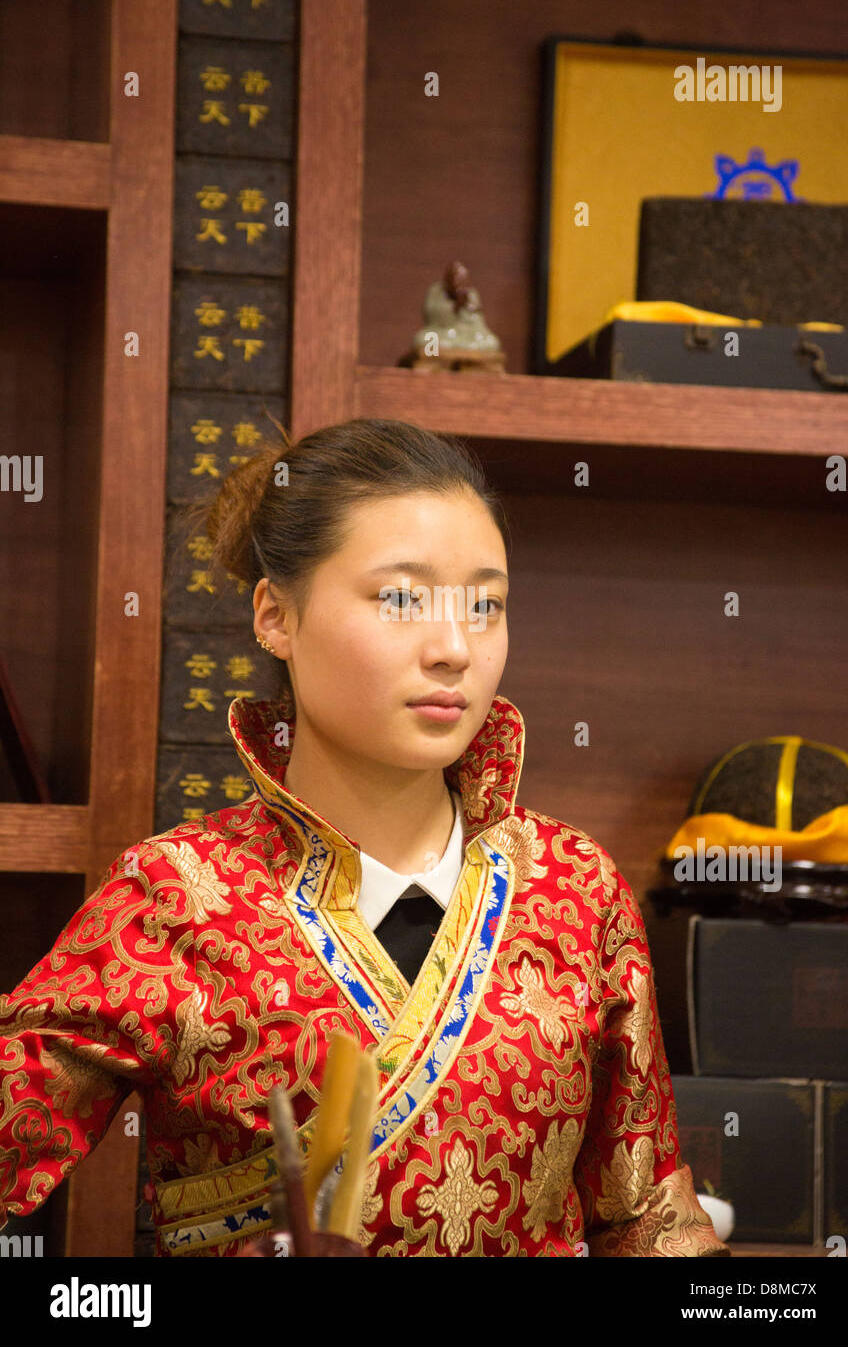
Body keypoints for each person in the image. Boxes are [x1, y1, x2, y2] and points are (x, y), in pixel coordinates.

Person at [0, 416, 729, 1257]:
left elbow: (647, 1220)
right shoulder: (178, 897)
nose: (454, 649)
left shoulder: (574, 888)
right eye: (400, 599)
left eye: (486, 606)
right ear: (275, 616)